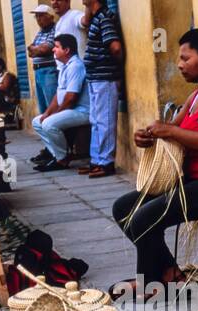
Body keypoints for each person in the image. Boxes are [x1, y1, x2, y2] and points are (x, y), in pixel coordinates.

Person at [109, 30, 198, 292]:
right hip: (194, 183)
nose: (180, 64)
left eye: (186, 58)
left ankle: (150, 284)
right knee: (124, 207)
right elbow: (171, 132)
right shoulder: (195, 97)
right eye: (180, 59)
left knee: (143, 219)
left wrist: (170, 131)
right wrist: (149, 136)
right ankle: (169, 273)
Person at [30, 35, 91, 172]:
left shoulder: (76, 66)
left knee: (48, 124)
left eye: (56, 47)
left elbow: (71, 98)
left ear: (67, 50)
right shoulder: (64, 66)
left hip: (83, 111)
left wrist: (55, 115)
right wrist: (46, 113)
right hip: (72, 110)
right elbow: (58, 95)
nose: (53, 50)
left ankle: (62, 158)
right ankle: (57, 155)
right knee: (37, 121)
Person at [81, 0, 123, 178]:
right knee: (96, 121)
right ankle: (96, 160)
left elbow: (115, 47)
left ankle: (106, 163)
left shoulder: (104, 18)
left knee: (104, 121)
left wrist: (116, 70)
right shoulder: (96, 17)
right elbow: (85, 19)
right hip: (96, 77)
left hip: (105, 77)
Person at [27, 4, 59, 116]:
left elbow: (45, 49)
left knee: (52, 106)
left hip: (49, 70)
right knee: (43, 108)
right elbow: (30, 51)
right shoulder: (40, 32)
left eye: (41, 16)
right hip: (38, 71)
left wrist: (36, 49)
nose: (38, 19)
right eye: (36, 16)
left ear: (50, 16)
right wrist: (35, 49)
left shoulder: (55, 29)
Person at [51, 0, 87, 73]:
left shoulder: (74, 15)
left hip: (76, 70)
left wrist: (88, 4)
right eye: (52, 0)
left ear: (68, 2)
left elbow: (85, 21)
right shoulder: (59, 22)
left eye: (58, 0)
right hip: (64, 71)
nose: (55, 2)